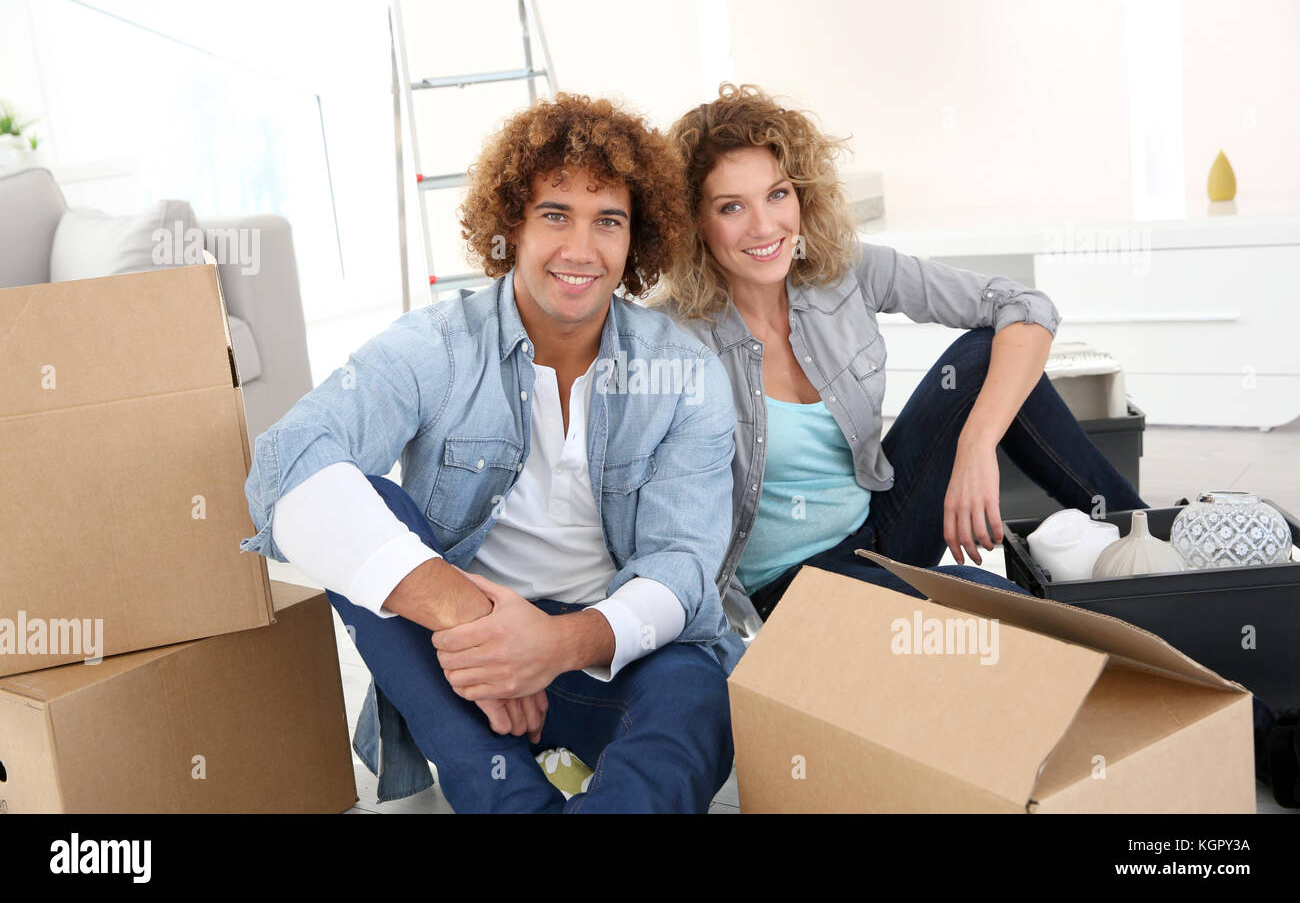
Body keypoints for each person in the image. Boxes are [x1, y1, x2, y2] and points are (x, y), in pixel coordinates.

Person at [240, 93, 742, 813]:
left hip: (606, 656)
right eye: (554, 215)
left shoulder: (683, 372)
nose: (581, 248)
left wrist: (554, 644)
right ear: (513, 224)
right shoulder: (437, 346)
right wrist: (473, 624)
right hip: (470, 678)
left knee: (698, 690)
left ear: (637, 239)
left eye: (608, 220)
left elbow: (684, 568)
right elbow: (287, 462)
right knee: (363, 502)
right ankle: (510, 795)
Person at [655, 84, 1148, 625]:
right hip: (789, 591)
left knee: (984, 353)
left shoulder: (842, 271)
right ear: (694, 222)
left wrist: (976, 446)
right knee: (1004, 611)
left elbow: (1023, 306)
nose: (765, 226)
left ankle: (1153, 547)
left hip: (878, 530)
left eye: (777, 194)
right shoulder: (673, 338)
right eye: (732, 207)